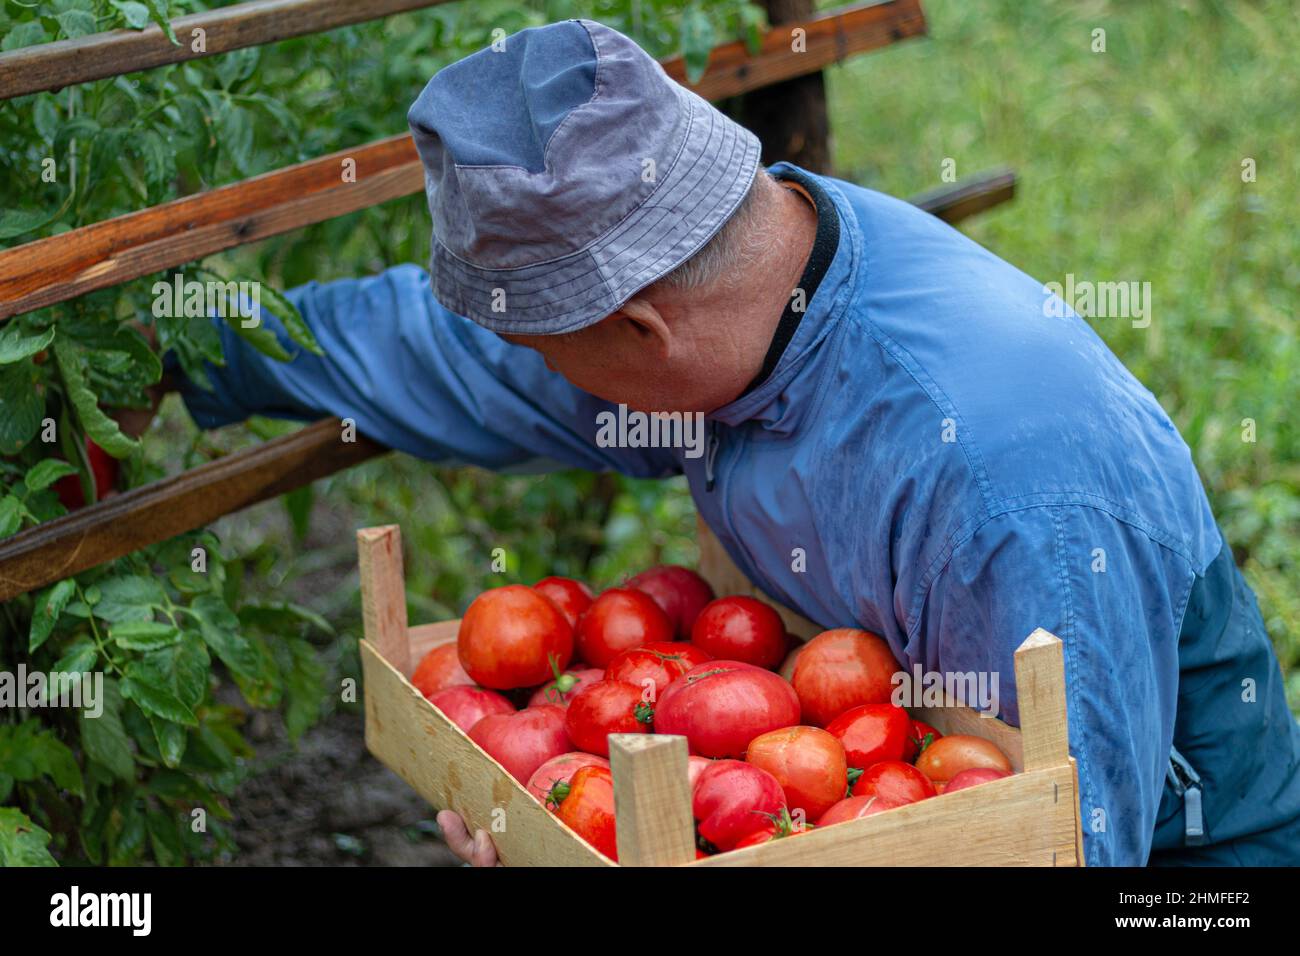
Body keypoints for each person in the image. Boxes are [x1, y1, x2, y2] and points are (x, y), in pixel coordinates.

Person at [164, 20, 1299, 866]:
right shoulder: (738, 288)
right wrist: (182, 348)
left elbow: (1056, 838)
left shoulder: (1001, 487)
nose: (538, 371)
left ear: (640, 329)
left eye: (549, 347)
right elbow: (448, 355)